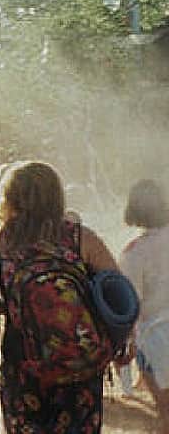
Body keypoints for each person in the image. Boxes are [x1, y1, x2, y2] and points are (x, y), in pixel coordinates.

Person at [0, 161, 120, 434]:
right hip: (80, 363)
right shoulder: (80, 237)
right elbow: (118, 292)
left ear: (9, 196)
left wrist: (20, 311)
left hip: (23, 362)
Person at [120, 178, 169, 433]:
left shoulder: (134, 252)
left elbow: (130, 304)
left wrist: (126, 342)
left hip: (156, 338)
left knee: (165, 412)